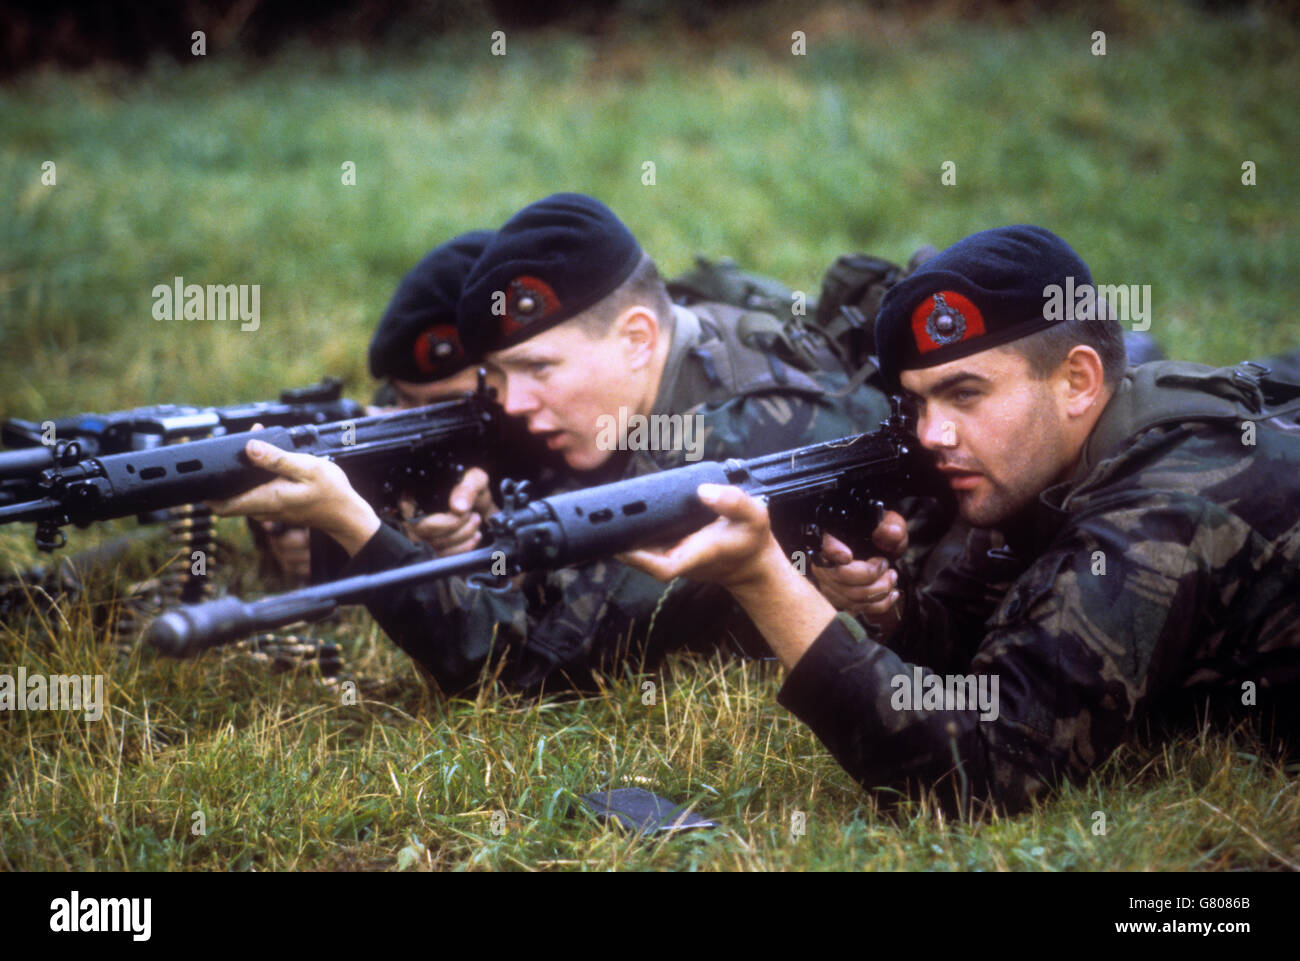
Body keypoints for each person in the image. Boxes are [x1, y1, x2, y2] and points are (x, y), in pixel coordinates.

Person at [621, 224, 1300, 816]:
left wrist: (764, 580)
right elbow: (983, 654)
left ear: (1078, 381)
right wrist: (897, 615)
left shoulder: (1164, 508)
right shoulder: (1062, 459)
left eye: (965, 393)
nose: (933, 432)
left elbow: (983, 768)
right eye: (917, 402)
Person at [213, 193, 898, 695]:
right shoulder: (660, 364)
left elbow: (519, 659)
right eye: (499, 377)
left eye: (539, 370)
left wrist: (352, 521)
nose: (511, 404)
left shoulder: (734, 431)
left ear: (636, 338)